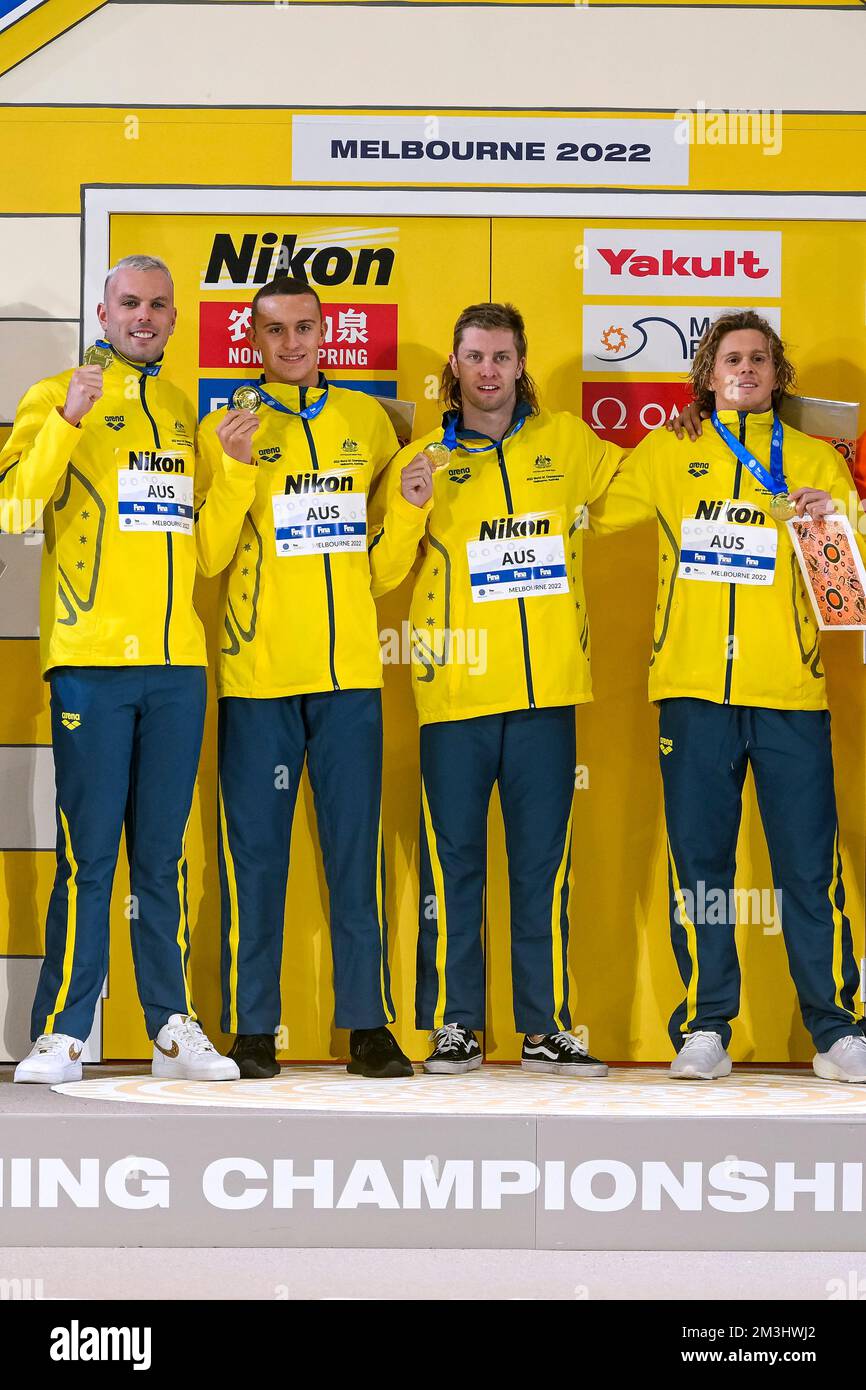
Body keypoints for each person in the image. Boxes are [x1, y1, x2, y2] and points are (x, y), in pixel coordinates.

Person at [590, 308, 866, 1081]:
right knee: (701, 867)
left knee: (810, 868)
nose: (744, 370)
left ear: (778, 375)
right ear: (707, 373)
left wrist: (833, 522)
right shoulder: (670, 452)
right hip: (692, 688)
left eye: (758, 359)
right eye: (730, 359)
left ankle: (837, 1029)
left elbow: (848, 591)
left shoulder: (818, 460)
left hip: (789, 691)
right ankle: (706, 1025)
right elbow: (594, 512)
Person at [367, 301, 625, 1076]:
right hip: (454, 694)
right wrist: (410, 508)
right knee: (453, 866)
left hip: (546, 692)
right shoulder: (420, 457)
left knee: (544, 865)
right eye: (474, 356)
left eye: (501, 357)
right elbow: (379, 572)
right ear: (454, 367)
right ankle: (456, 1024)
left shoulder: (568, 442)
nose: (487, 370)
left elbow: (650, 490)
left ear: (521, 365)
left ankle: (546, 1027)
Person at [1, 255, 237, 1084]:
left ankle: (171, 1027)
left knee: (164, 857)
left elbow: (208, 550)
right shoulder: (55, 396)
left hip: (178, 667)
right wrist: (66, 420)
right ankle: (63, 1029)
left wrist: (236, 473)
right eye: (130, 303)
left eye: (159, 305)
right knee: (88, 853)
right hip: (93, 665)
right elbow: (16, 509)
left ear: (175, 319)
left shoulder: (180, 413)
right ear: (102, 313)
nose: (145, 316)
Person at [195, 275, 412, 1079]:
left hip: (352, 675)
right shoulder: (224, 425)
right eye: (277, 331)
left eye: (307, 329)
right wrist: (238, 469)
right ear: (254, 341)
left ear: (329, 335)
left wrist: (416, 511)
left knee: (356, 856)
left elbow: (382, 571)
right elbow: (210, 554)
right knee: (256, 860)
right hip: (258, 677)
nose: (293, 344)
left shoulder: (369, 423)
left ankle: (368, 1026)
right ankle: (253, 1028)